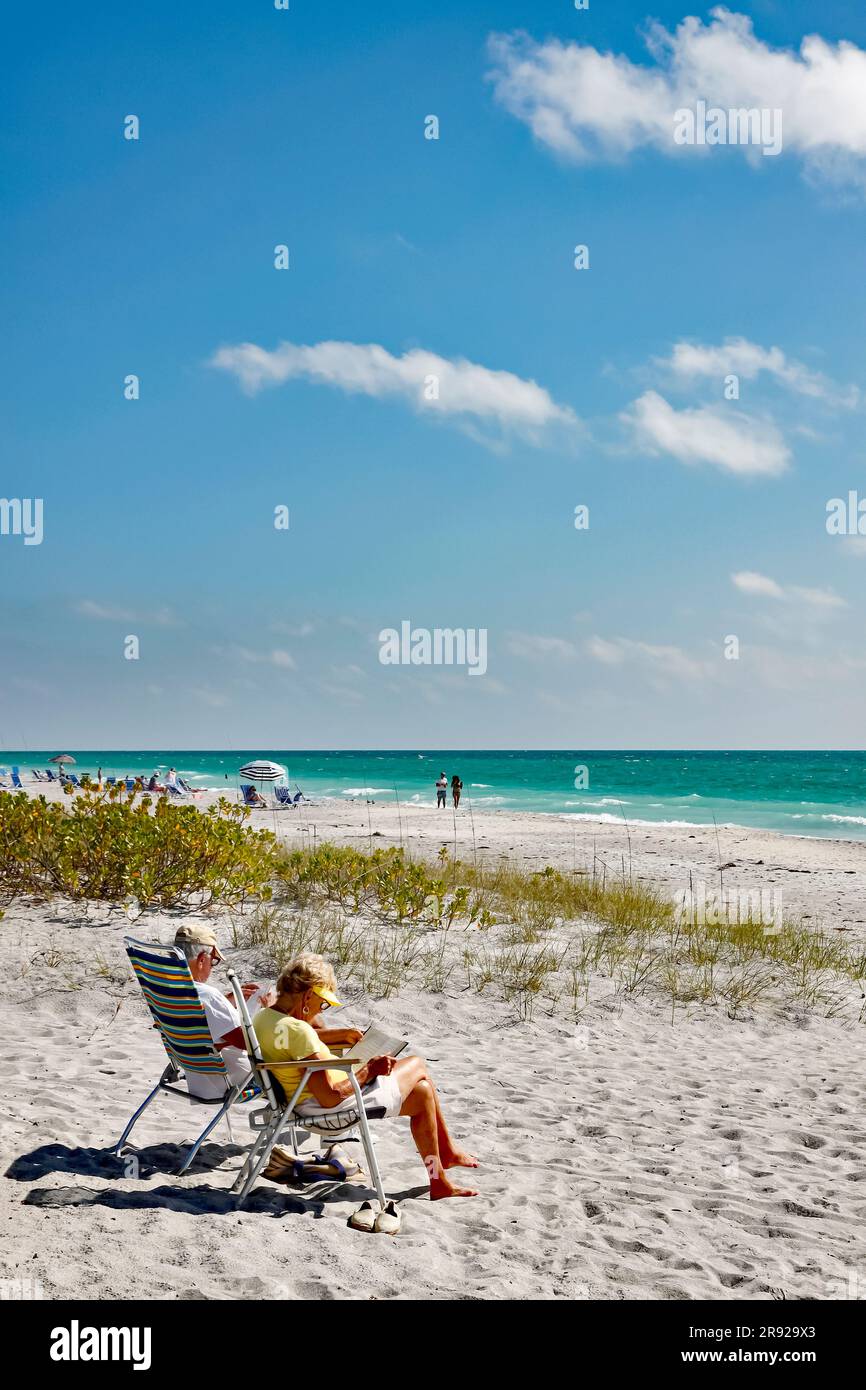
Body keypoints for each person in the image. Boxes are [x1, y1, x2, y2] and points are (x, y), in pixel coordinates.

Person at [253, 954, 478, 1199]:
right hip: (326, 1110)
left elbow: (291, 1044)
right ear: (308, 996)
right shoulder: (300, 1031)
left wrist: (339, 1038)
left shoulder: (264, 1019)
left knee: (422, 1093)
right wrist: (369, 1071)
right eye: (323, 1004)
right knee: (416, 1064)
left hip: (297, 1102)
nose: (321, 1010)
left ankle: (439, 1178)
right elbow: (330, 1097)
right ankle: (446, 1154)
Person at [173, 925, 264, 1100]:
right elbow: (249, 1044)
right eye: (213, 961)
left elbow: (201, 1021)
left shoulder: (167, 991)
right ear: (201, 959)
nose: (212, 967)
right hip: (234, 1083)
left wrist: (228, 1001)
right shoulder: (208, 996)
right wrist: (272, 1011)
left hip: (197, 1079)